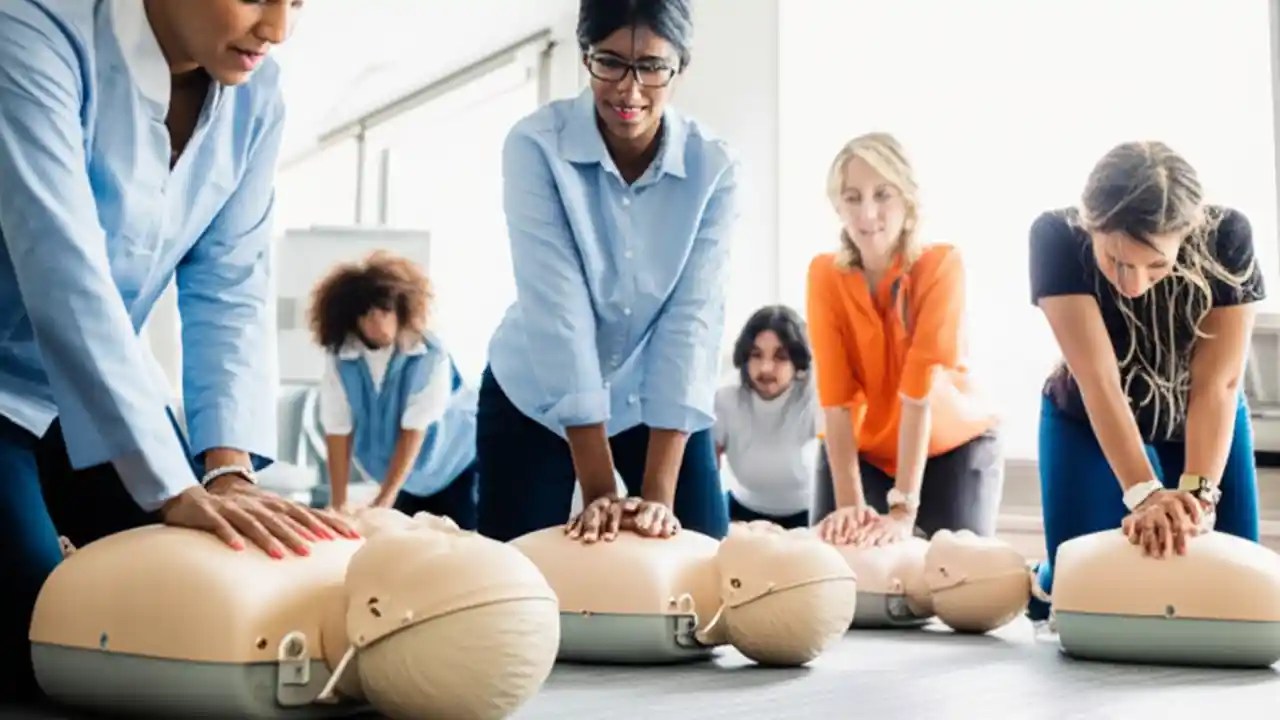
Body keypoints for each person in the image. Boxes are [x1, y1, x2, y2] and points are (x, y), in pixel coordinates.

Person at [0, 0, 354, 701]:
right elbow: (61, 266)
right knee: (44, 635)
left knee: (205, 596)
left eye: (298, 1)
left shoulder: (258, 94)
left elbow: (230, 285)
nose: (277, 29)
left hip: (91, 398)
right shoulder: (29, 31)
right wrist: (169, 486)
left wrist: (227, 470)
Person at [477, 0, 738, 544]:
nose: (629, 89)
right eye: (610, 62)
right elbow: (559, 312)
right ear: (585, 56)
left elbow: (691, 322)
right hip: (537, 396)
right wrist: (600, 489)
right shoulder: (535, 146)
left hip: (654, 398)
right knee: (515, 575)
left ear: (681, 66)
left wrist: (658, 499)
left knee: (699, 559)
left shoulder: (714, 168)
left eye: (652, 67)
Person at [1026, 140, 1264, 621]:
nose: (1133, 284)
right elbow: (1099, 380)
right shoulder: (1056, 236)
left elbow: (1218, 384)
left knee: (1235, 592)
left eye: (1156, 265)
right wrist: (1145, 494)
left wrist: (1197, 499)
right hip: (1088, 418)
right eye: (1117, 262)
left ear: (1187, 232)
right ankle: (1039, 579)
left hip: (1198, 412)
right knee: (1081, 589)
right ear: (1091, 226)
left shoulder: (1227, 236)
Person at [806, 132, 1003, 547]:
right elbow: (835, 401)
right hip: (866, 450)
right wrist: (850, 506)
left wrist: (902, 510)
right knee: (836, 557)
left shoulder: (940, 265)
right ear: (838, 206)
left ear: (908, 201)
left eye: (883, 195)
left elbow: (918, 394)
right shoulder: (824, 275)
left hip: (952, 445)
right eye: (853, 197)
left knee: (955, 570)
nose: (868, 213)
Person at [310, 252, 480, 530]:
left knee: (457, 537)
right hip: (404, 476)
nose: (377, 323)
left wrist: (385, 499)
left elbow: (414, 429)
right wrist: (338, 503)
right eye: (366, 314)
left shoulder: (429, 355)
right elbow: (338, 427)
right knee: (402, 540)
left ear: (401, 310)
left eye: (385, 312)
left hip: (453, 465)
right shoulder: (342, 358)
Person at [714, 305, 821, 529]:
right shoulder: (726, 396)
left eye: (780, 357)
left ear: (798, 361)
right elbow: (708, 467)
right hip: (740, 513)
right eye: (756, 355)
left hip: (808, 515)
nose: (766, 368)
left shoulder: (814, 394)